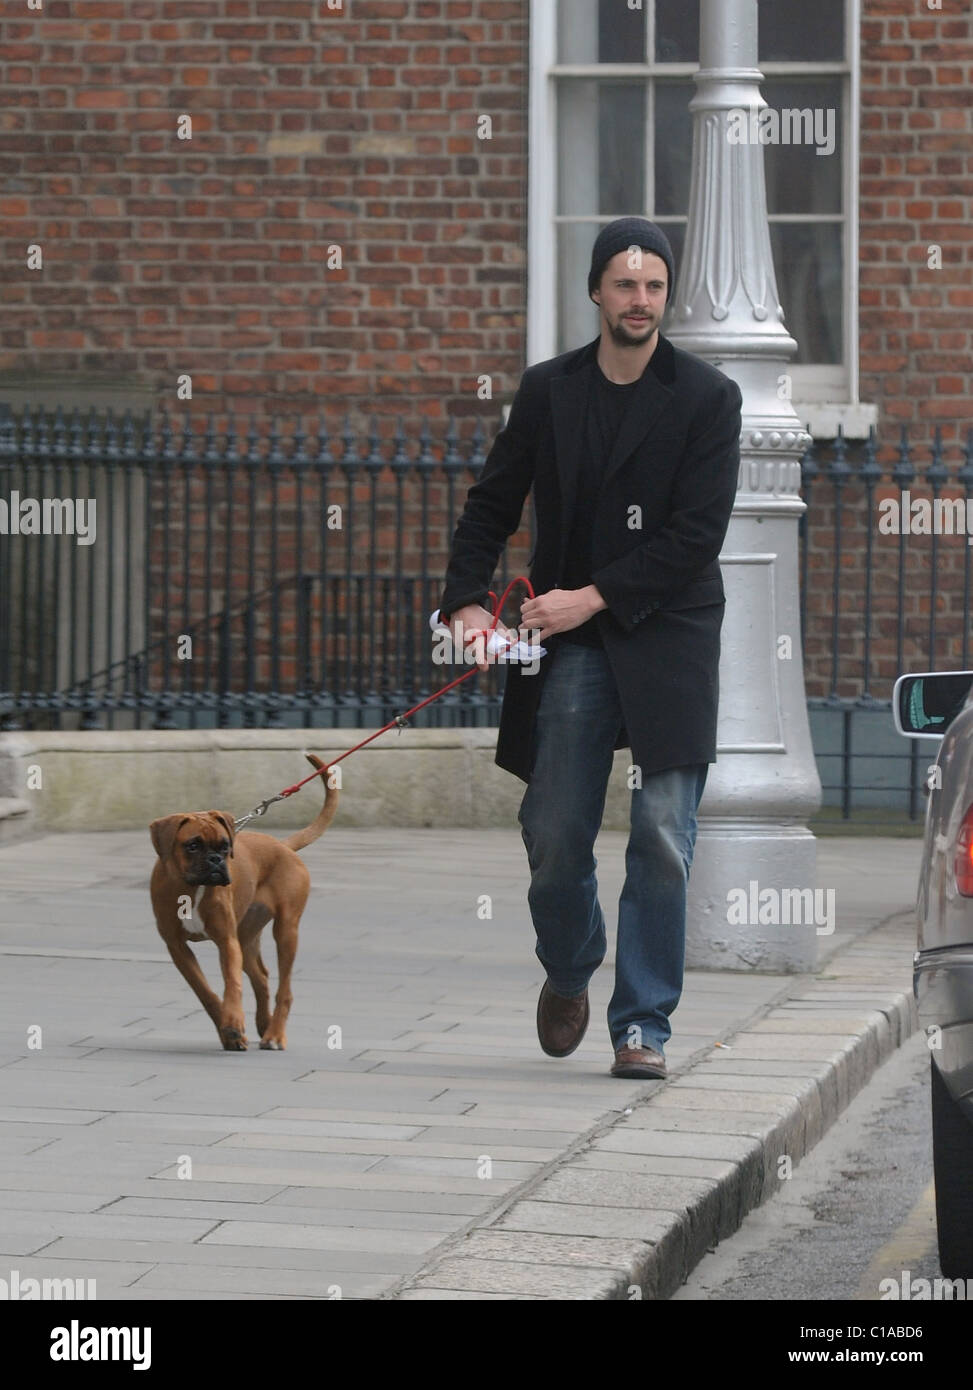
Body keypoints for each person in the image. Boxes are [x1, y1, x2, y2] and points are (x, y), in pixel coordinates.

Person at [438, 217, 742, 1079]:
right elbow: (492, 501)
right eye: (623, 284)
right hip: (569, 641)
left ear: (664, 295)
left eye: (652, 286)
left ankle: (642, 1024)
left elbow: (694, 537)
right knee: (554, 829)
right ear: (595, 293)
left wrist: (595, 596)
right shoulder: (547, 391)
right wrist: (463, 600)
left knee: (659, 830)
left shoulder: (707, 398)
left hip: (669, 633)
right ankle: (570, 965)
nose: (639, 300)